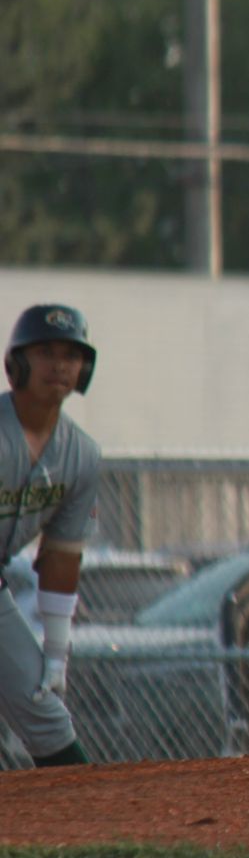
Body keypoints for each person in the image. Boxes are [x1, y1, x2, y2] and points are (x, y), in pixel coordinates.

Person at [0, 304, 102, 768]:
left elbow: (60, 558)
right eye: (44, 351)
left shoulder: (80, 454)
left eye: (70, 354)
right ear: (17, 363)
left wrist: (56, 654)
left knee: (46, 714)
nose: (59, 364)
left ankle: (83, 832)